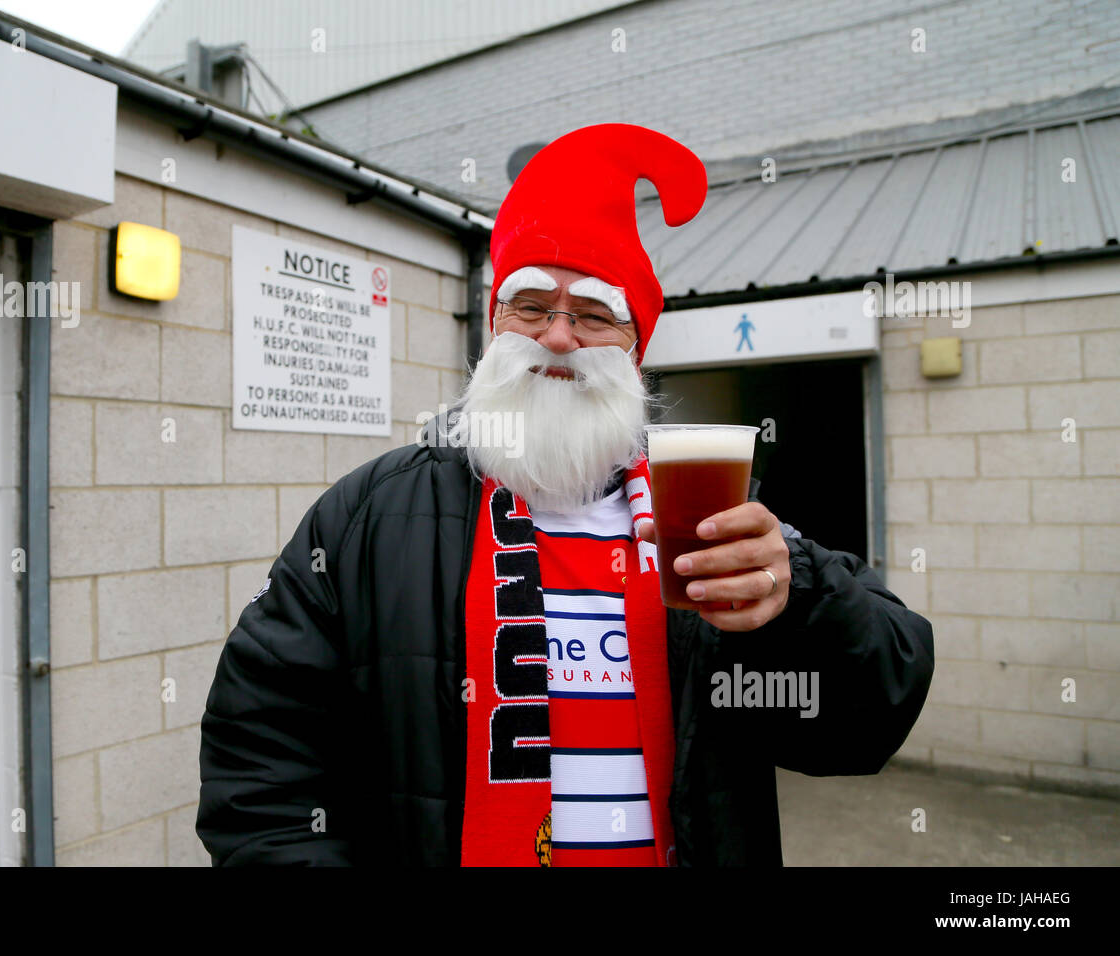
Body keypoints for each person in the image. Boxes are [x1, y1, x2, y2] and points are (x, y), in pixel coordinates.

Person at [197, 123, 934, 866]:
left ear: (635, 351)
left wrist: (797, 598)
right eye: (531, 307)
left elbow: (867, 719)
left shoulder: (716, 522)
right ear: (494, 328)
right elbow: (258, 763)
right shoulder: (368, 518)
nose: (557, 337)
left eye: (591, 314)